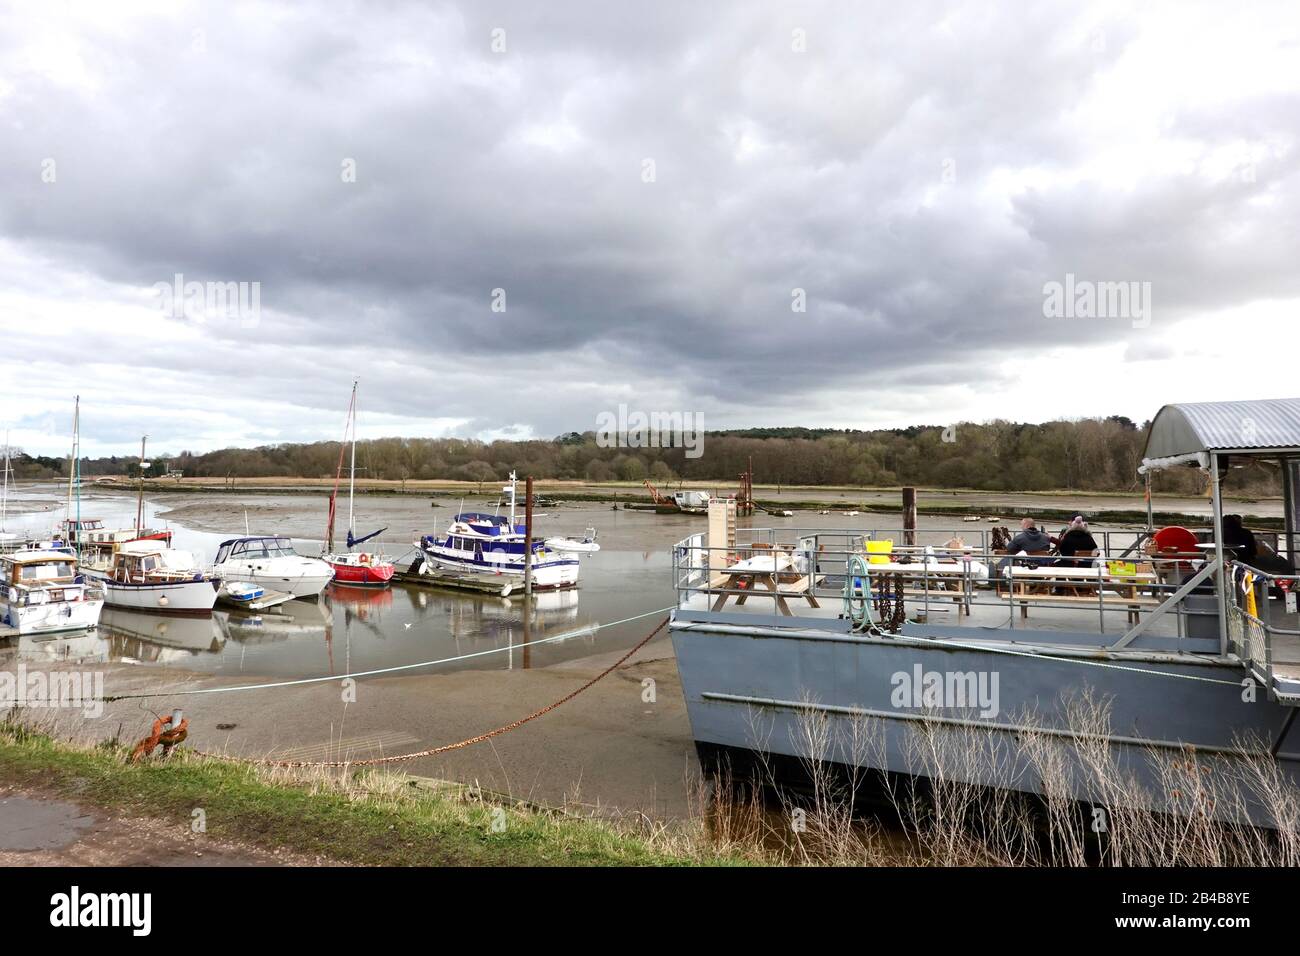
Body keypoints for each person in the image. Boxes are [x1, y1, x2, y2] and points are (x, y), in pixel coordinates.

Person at [1222, 514, 1296, 577]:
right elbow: (1253, 550)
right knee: (1282, 563)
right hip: (1248, 561)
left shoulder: (1219, 533)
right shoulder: (1246, 533)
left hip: (1227, 561)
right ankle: (1292, 583)